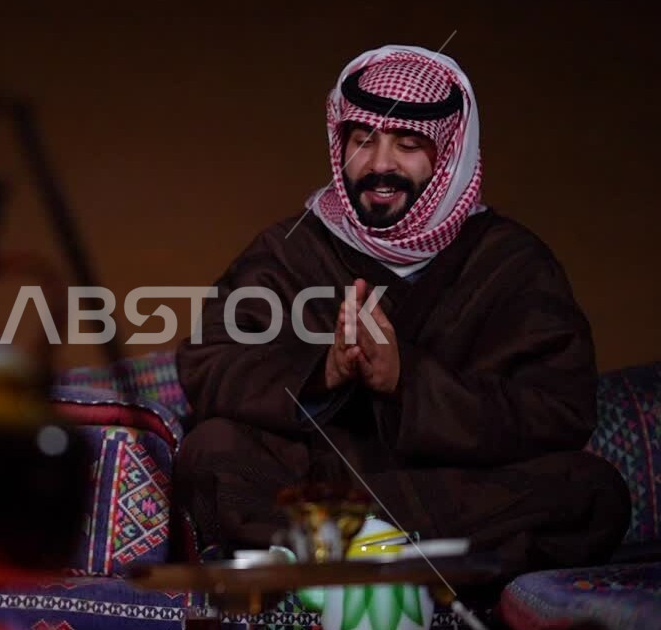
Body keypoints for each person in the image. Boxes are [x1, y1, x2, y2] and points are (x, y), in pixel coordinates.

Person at [174, 45, 630, 576]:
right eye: (363, 141)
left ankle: (323, 553)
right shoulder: (292, 247)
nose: (380, 165)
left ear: (449, 157)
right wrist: (323, 372)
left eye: (408, 145)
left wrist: (406, 380)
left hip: (450, 485)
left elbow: (560, 410)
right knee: (211, 451)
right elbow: (207, 360)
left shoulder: (511, 262)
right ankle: (395, 555)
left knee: (591, 491)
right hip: (324, 479)